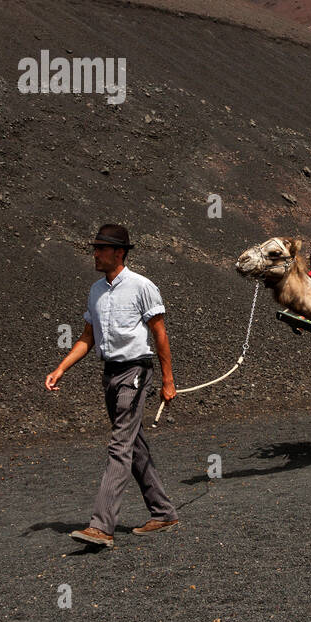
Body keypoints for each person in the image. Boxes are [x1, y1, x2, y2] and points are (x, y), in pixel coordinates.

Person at [45, 225, 179, 549]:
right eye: (95, 248)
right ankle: (163, 512)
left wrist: (168, 380)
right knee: (133, 445)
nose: (95, 254)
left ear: (119, 253)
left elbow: (159, 334)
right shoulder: (95, 292)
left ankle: (102, 526)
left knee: (119, 444)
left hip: (136, 371)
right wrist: (61, 369)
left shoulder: (142, 287)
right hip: (110, 373)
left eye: (101, 249)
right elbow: (87, 338)